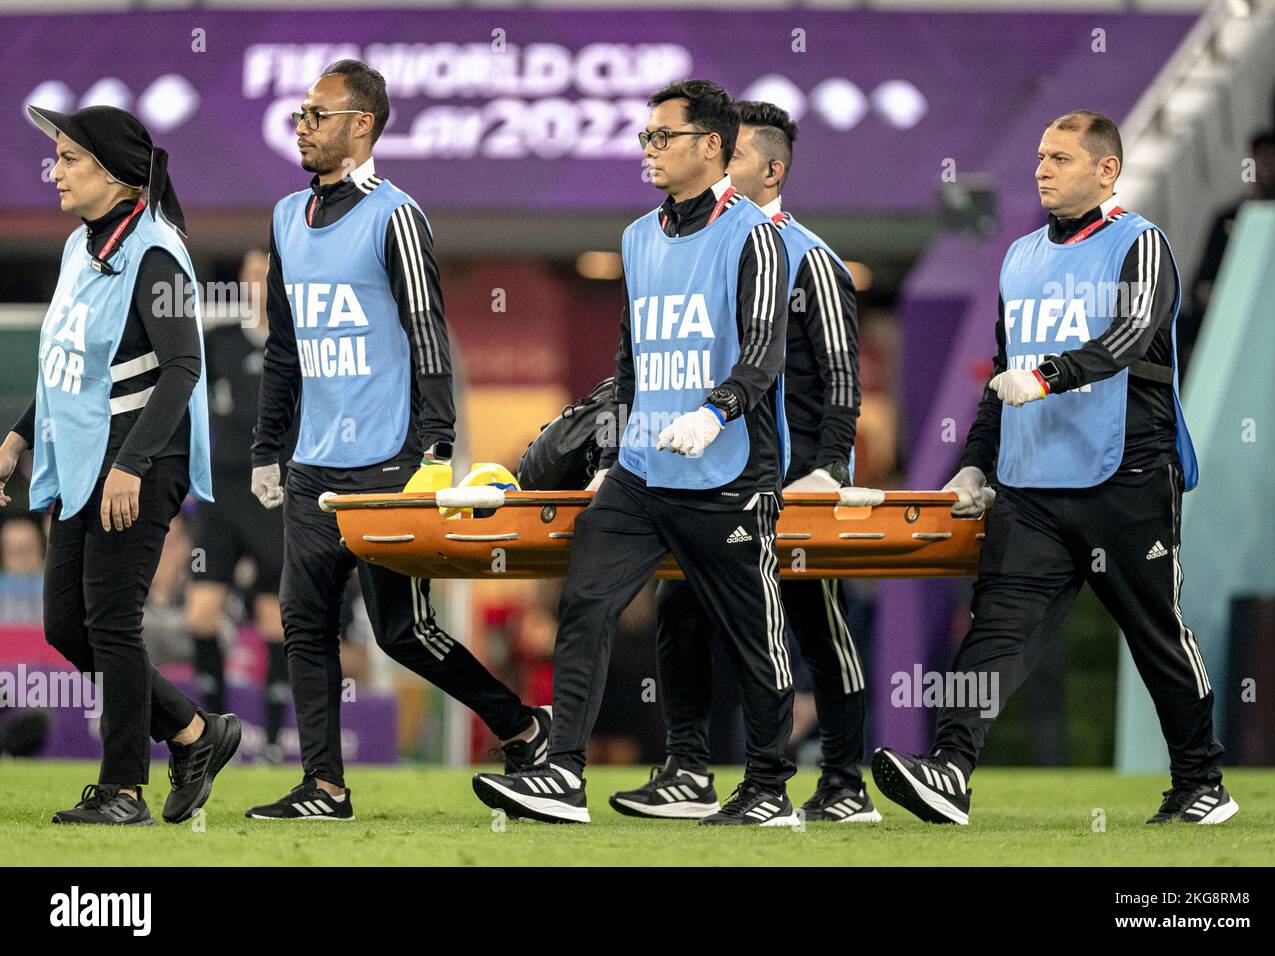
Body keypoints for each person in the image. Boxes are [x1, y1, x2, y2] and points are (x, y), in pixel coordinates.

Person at [872, 110, 1236, 826]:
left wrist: (1049, 376)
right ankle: (950, 771)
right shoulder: (1020, 255)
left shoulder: (1142, 243)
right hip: (1031, 481)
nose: (1042, 168)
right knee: (995, 629)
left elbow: (1132, 333)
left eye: (1061, 157)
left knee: (1156, 631)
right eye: (1040, 155)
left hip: (1125, 474)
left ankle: (1201, 783)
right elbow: (1001, 369)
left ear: (1107, 170)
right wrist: (975, 463)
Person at [472, 80, 795, 826]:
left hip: (729, 474)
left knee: (756, 636)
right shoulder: (636, 236)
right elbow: (631, 367)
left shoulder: (756, 236)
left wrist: (716, 414)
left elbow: (763, 355)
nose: (647, 149)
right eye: (646, 137)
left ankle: (772, 789)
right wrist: (609, 452)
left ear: (711, 145)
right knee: (584, 603)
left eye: (663, 136)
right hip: (644, 473)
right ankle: (561, 775)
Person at [246, 59, 549, 821]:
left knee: (401, 633)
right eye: (300, 115)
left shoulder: (398, 216)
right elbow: (284, 348)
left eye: (319, 115)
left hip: (387, 465)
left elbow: (427, 335)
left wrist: (437, 448)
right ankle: (324, 786)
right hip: (312, 466)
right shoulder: (286, 216)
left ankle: (518, 724)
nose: (303, 127)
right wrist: (265, 446)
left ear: (363, 125)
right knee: (303, 626)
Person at [609, 101, 877, 823]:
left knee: (816, 620)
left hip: (789, 476)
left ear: (772, 168)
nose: (722, 165)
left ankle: (845, 784)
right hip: (711, 468)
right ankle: (688, 769)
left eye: (736, 157)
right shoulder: (692, 242)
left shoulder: (809, 256)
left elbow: (842, 378)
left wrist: (832, 468)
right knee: (679, 609)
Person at [0, 104, 240, 825]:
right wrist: (18, 435)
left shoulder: (156, 251)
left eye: (71, 158)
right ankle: (195, 733)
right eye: (59, 157)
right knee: (66, 627)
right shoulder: (83, 245)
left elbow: (182, 367)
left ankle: (122, 790)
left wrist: (132, 465)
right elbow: (69, 367)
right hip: (82, 460)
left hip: (140, 461)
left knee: (110, 622)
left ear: (114, 173)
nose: (57, 170)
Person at [187, 248, 292, 760]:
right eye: (252, 275)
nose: (259, 284)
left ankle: (273, 740)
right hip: (222, 494)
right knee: (202, 615)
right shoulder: (217, 343)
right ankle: (211, 735)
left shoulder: (297, 347)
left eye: (268, 275)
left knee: (275, 620)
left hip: (274, 495)